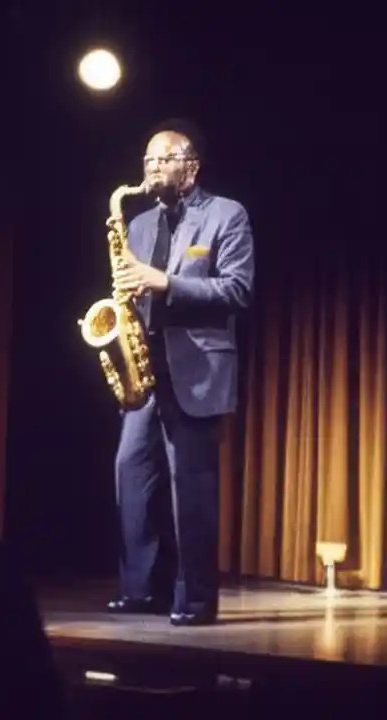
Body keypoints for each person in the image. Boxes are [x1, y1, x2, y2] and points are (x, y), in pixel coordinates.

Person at [108, 118, 255, 626]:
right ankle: (140, 589)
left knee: (190, 488)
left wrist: (164, 282)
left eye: (162, 159)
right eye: (147, 159)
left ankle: (195, 600)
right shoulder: (140, 222)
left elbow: (237, 289)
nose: (150, 168)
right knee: (131, 474)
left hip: (196, 370)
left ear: (189, 168)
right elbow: (132, 286)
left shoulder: (226, 215)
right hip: (145, 369)